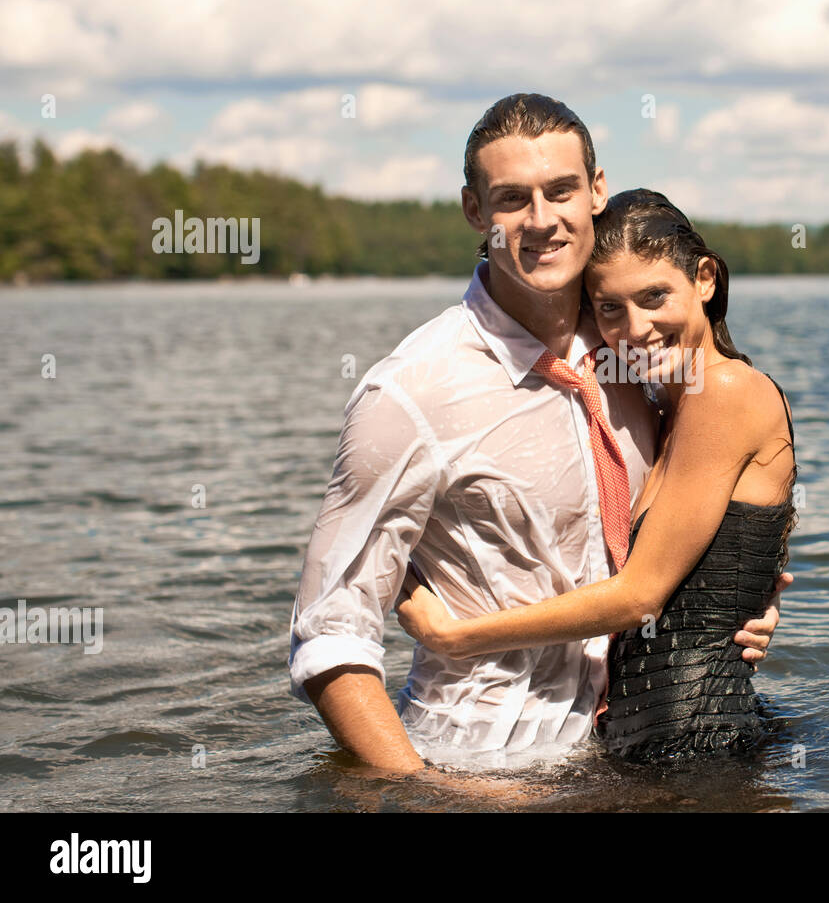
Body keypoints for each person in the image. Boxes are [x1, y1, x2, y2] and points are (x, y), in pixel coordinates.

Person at [287, 93, 790, 773]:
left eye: (560, 190)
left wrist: (741, 597)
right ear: (474, 210)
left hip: (620, 756)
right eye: (511, 198)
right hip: (481, 761)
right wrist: (431, 790)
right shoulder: (410, 391)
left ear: (596, 191)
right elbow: (328, 634)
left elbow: (697, 522)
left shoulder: (629, 347)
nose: (542, 219)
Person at [396, 188, 798, 764]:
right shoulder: (665, 406)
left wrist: (454, 636)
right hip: (653, 741)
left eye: (655, 295)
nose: (635, 329)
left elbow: (639, 596)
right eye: (610, 308)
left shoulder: (727, 392)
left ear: (704, 279)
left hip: (696, 748)